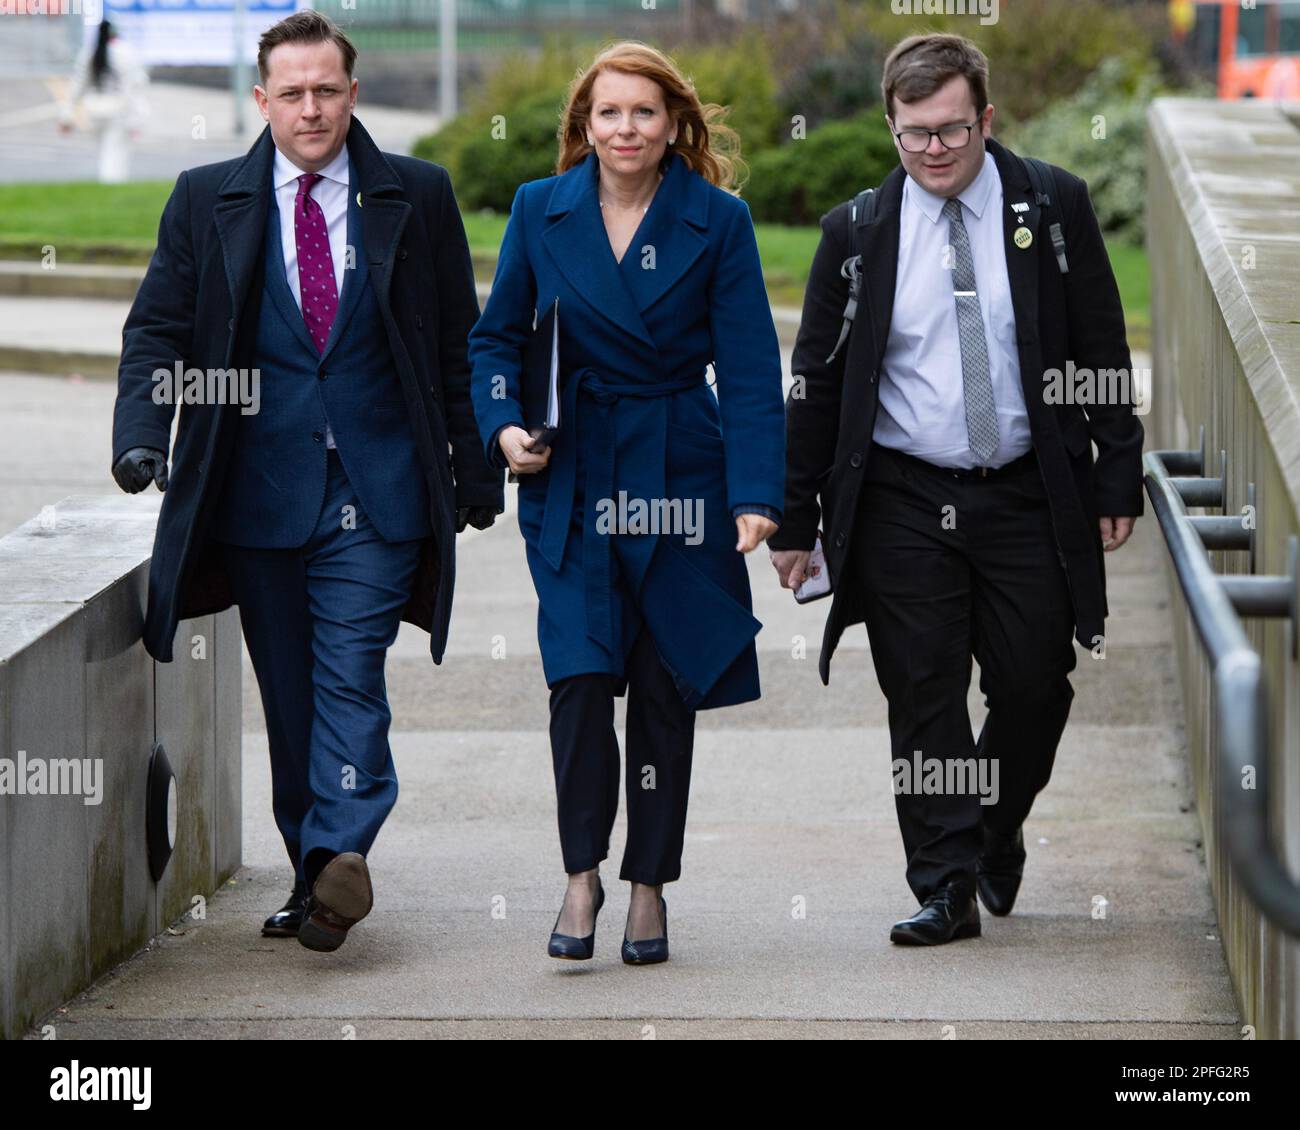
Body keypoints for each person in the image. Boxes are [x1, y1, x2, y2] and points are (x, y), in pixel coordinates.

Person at [110, 10, 501, 952]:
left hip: (379, 489)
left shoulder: (416, 194)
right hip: (258, 497)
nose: (312, 108)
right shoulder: (209, 199)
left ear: (353, 93)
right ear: (261, 101)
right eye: (292, 93)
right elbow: (157, 332)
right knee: (290, 700)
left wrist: (474, 465)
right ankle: (314, 873)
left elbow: (457, 345)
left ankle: (341, 845)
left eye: (327, 89)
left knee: (350, 675)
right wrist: (143, 441)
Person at [768, 33, 1144, 945]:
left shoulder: (1052, 204)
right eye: (913, 135)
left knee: (1032, 684)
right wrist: (796, 515)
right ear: (892, 127)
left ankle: (994, 824)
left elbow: (1099, 342)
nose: (933, 151)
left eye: (950, 131)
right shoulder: (856, 232)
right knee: (923, 691)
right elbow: (815, 381)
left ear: (986, 118)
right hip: (903, 495)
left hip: (1025, 491)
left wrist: (1115, 472)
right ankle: (945, 881)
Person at [469, 41, 784, 965]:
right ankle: (580, 872)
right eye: (609, 113)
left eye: (644, 112)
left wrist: (760, 492)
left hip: (681, 470)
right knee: (576, 681)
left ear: (675, 122)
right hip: (571, 476)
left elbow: (754, 368)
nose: (626, 129)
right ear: (585, 124)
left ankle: (648, 883)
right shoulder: (540, 208)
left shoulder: (718, 220)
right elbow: (493, 344)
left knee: (660, 688)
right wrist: (503, 429)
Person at [58, 19, 151, 184]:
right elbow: (134, 88)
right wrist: (137, 119)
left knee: (105, 150)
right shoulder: (124, 52)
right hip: (118, 111)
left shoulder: (88, 53)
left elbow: (77, 86)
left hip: (94, 111)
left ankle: (108, 181)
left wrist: (66, 116)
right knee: (115, 153)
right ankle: (111, 183)